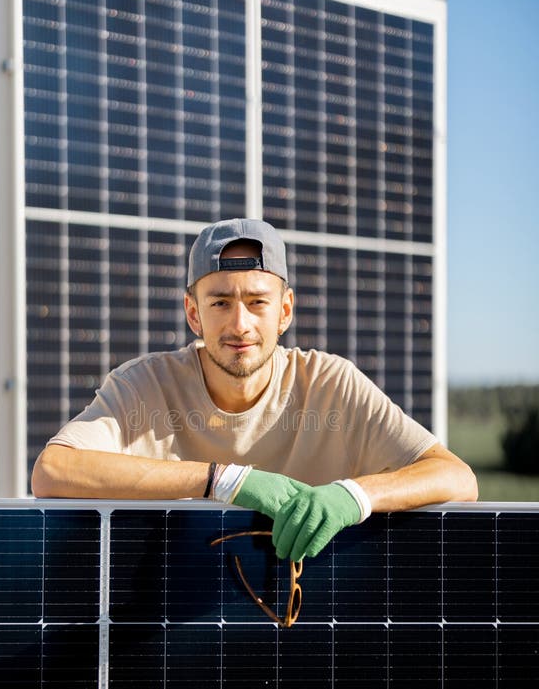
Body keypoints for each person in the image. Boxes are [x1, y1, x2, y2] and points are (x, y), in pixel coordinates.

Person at [32, 218, 477, 561]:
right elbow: (53, 471)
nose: (240, 324)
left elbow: (456, 477)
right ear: (193, 313)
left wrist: (354, 496)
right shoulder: (144, 385)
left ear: (284, 311)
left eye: (257, 302)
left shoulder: (330, 383)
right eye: (220, 302)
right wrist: (222, 480)